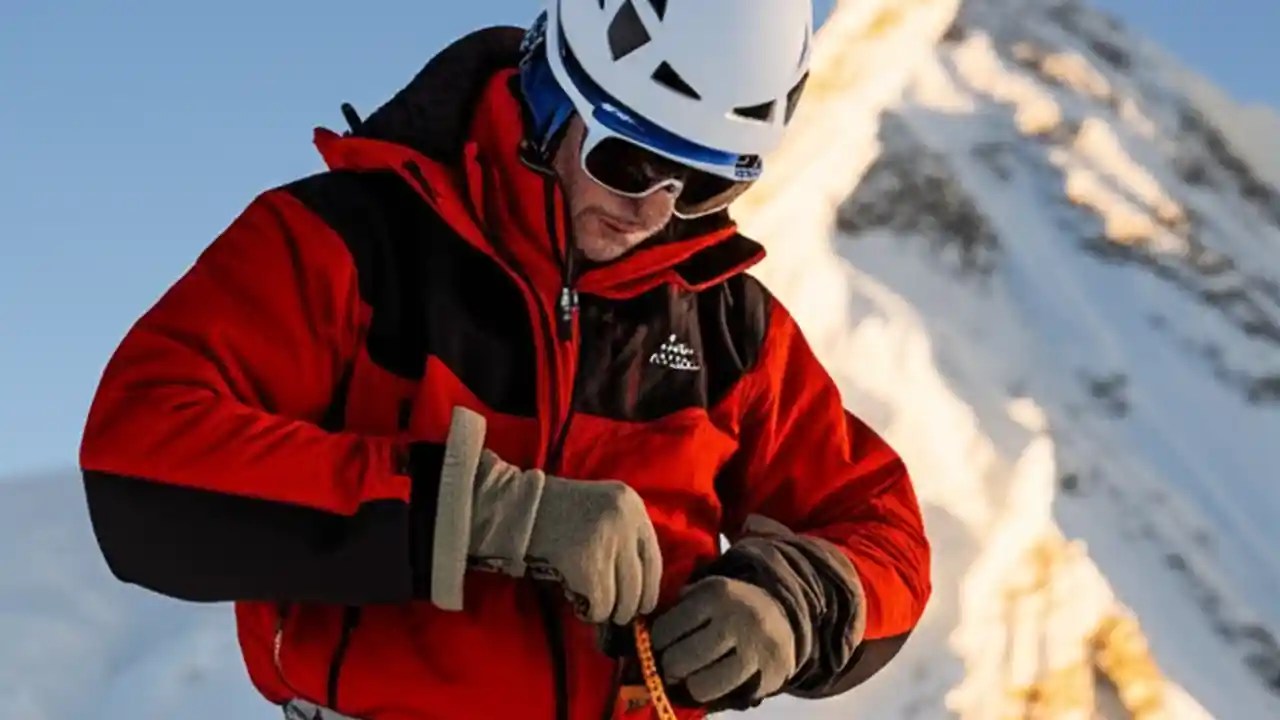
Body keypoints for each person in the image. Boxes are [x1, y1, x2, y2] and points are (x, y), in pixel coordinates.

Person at [78, 1, 931, 719]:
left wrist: (794, 601)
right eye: (627, 161)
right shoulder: (351, 244)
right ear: (551, 92)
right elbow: (140, 455)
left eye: (701, 185)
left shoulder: (727, 330)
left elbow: (882, 526)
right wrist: (482, 512)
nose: (650, 212)